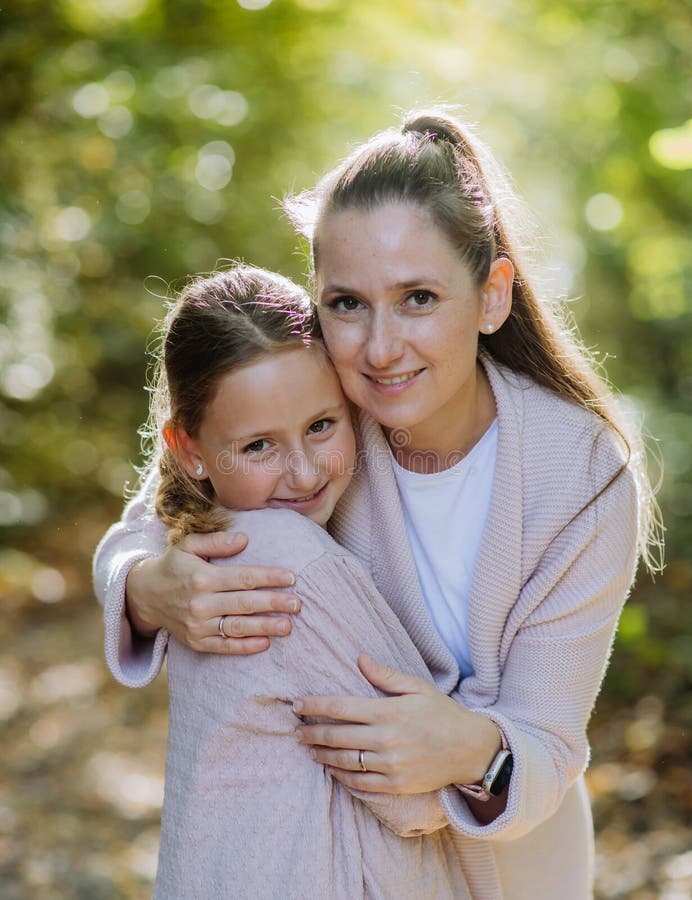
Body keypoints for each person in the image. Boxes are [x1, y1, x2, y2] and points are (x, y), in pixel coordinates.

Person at [94, 110, 660, 899]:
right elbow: (154, 510)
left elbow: (548, 740)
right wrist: (146, 587)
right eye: (348, 303)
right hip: (341, 845)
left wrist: (466, 746)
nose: (381, 348)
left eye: (419, 298)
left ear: (491, 297)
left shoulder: (581, 473)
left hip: (507, 858)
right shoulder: (322, 408)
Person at [138, 265, 473, 898]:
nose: (302, 473)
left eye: (323, 425)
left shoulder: (200, 539)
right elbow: (419, 798)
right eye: (260, 446)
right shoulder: (286, 557)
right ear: (189, 450)